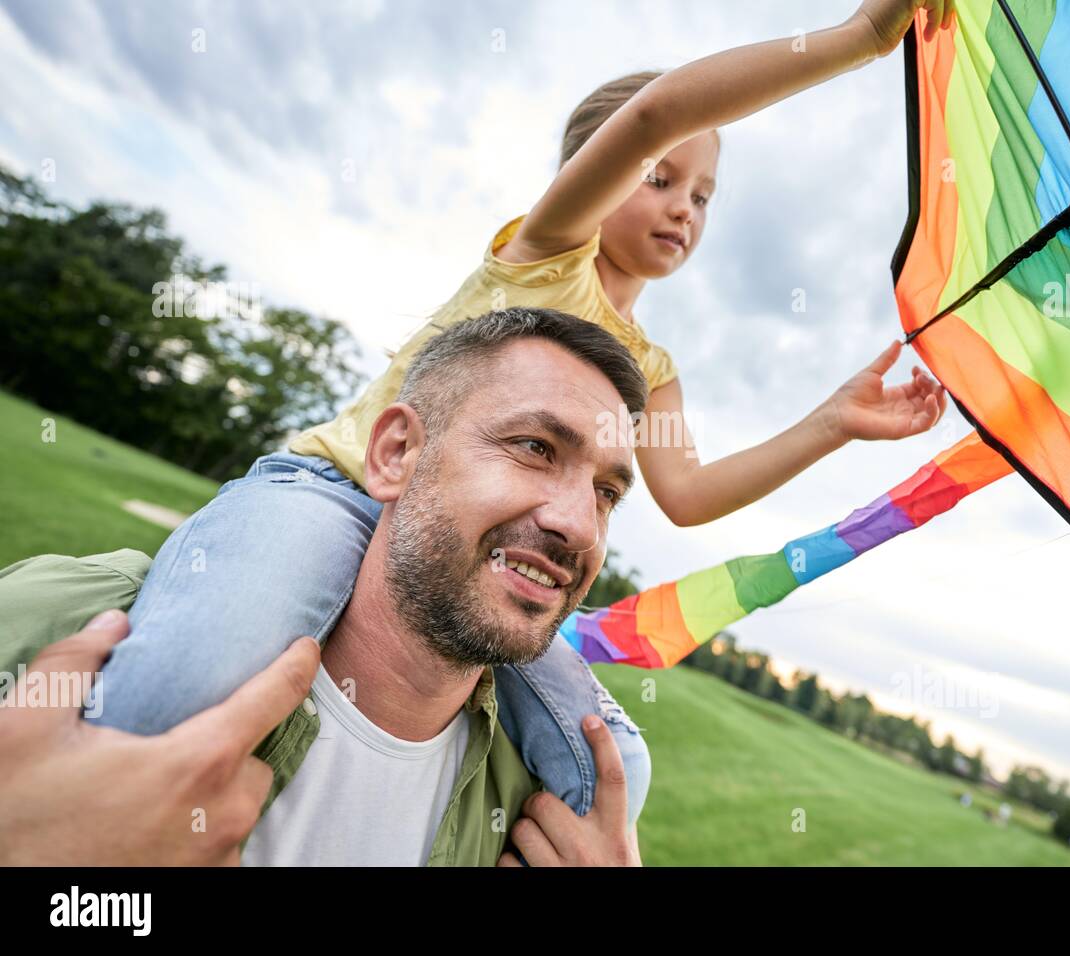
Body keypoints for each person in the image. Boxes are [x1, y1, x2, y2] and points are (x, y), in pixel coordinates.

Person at [84, 0, 955, 824]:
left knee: (608, 770)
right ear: (595, 171)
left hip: (483, 554)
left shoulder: (649, 369)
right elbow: (655, 114)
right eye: (662, 180)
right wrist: (860, 37)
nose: (685, 207)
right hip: (344, 495)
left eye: (704, 196)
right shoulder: (547, 253)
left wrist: (831, 424)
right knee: (185, 684)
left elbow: (688, 493)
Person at [0, 309, 645, 865]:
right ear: (396, 454)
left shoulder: (538, 811)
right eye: (534, 447)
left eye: (606, 493)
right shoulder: (67, 626)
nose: (579, 526)